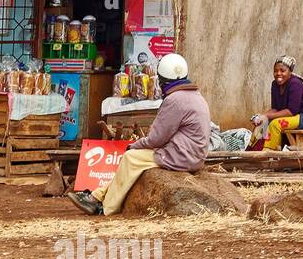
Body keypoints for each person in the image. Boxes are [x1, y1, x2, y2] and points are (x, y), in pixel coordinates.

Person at [68, 53, 210, 216]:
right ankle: (96, 195)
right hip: (192, 155)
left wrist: (133, 146)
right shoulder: (195, 96)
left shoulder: (175, 99)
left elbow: (156, 139)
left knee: (131, 158)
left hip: (181, 157)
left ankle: (106, 207)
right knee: (136, 160)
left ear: (163, 79)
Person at [255, 55, 303, 150]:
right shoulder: (275, 85)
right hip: (296, 116)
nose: (278, 73)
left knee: (275, 124)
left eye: (282, 71)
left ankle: (269, 155)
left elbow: (291, 111)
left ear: (290, 72)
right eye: (275, 71)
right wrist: (260, 117)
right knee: (262, 123)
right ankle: (254, 151)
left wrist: (267, 116)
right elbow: (275, 109)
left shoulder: (295, 83)